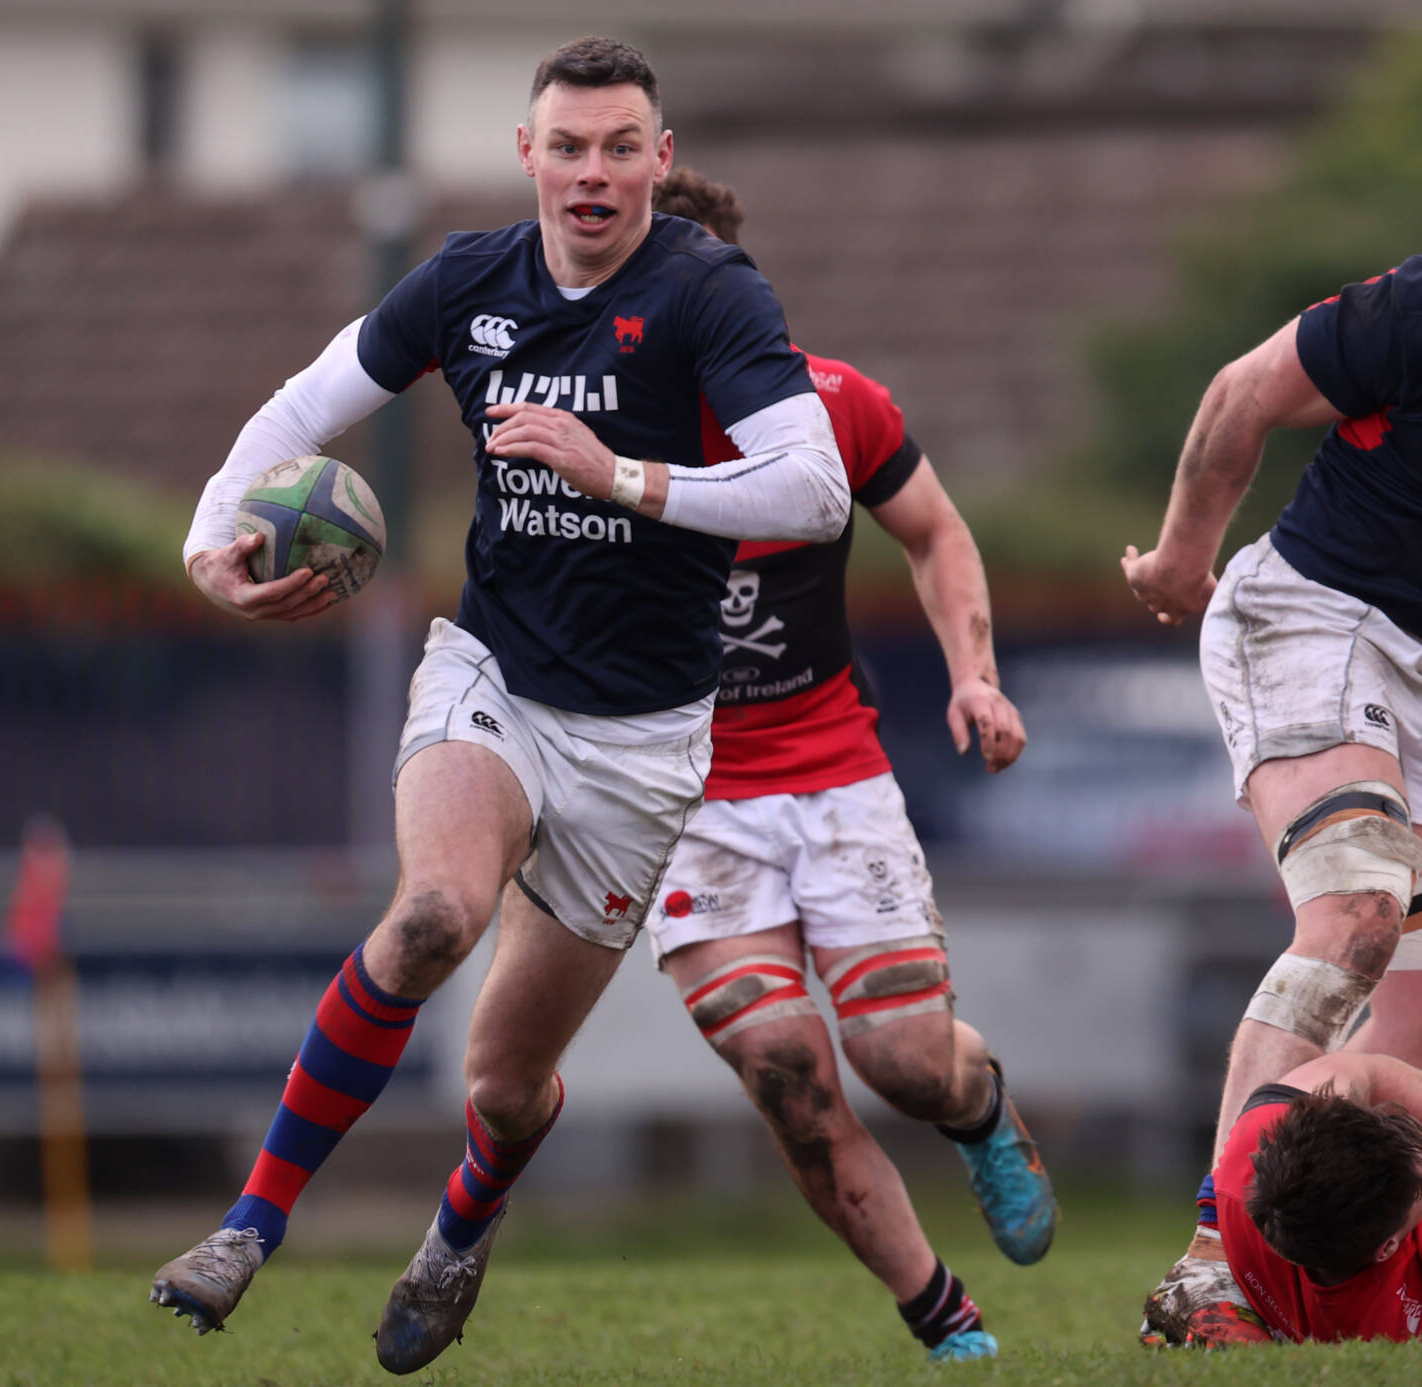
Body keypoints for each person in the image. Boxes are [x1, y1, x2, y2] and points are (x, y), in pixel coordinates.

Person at [148, 37, 853, 1375]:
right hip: (493, 677)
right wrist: (207, 546)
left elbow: (810, 488)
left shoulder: (710, 295)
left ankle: (458, 1230)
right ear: (528, 155)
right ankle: (248, 1225)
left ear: (657, 158)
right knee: (425, 919)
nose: (593, 172)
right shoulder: (467, 281)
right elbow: (297, 409)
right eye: (568, 147)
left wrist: (623, 475)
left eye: (620, 147)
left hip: (642, 741)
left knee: (503, 1084)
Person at [643, 167, 1055, 1366]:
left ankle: (974, 1102)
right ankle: (942, 1319)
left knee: (899, 1060)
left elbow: (934, 530)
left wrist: (972, 673)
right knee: (782, 1065)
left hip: (832, 778)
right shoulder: (581, 435)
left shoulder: (826, 403)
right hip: (686, 803)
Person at [1124, 257, 1422, 1345]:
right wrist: (1176, 561)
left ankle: (1340, 1299)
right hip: (1320, 615)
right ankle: (1209, 1268)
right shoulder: (1414, 306)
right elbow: (1238, 393)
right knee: (1355, 911)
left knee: (1406, 1044)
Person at [1213, 1051, 1422, 1343]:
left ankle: (1205, 1257)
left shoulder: (1240, 1176)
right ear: (1386, 1248)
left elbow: (1366, 1070)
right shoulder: (1385, 1330)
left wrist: (1210, 1231)